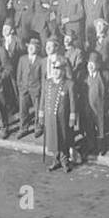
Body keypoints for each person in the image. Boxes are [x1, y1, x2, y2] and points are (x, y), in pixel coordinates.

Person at [40, 42, 75, 172]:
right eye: (54, 69)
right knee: (53, 138)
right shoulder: (48, 83)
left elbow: (72, 102)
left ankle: (65, 160)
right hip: (50, 117)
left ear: (63, 70)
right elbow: (43, 100)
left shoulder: (68, 84)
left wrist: (72, 116)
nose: (55, 72)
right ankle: (56, 160)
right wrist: (41, 115)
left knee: (63, 138)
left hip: (63, 117)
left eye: (58, 70)